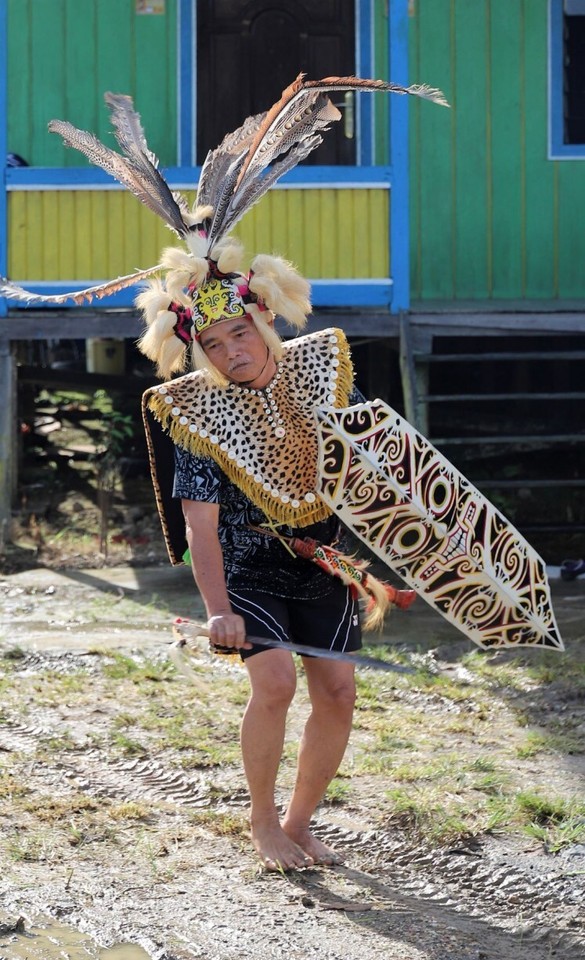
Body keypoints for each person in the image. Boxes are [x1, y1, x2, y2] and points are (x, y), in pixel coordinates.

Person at [140, 247, 375, 871]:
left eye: (239, 333)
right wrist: (216, 610)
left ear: (265, 324)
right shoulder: (200, 412)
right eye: (212, 344)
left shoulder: (326, 373)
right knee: (275, 684)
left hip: (321, 557)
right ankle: (262, 823)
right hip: (245, 563)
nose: (230, 352)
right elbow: (200, 525)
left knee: (339, 691)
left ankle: (299, 825)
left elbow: (380, 468)